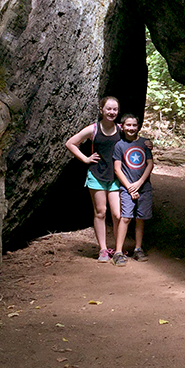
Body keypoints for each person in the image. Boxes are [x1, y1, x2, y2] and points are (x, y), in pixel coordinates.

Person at [65, 96, 123, 262]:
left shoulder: (121, 129)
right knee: (101, 211)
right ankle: (103, 249)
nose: (112, 112)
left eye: (115, 109)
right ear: (102, 110)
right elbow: (70, 143)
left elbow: (134, 143)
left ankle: (118, 249)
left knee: (117, 214)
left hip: (114, 176)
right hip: (97, 174)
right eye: (109, 109)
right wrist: (85, 159)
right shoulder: (93, 129)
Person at [111, 113, 153, 265]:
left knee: (140, 218)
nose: (131, 128)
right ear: (122, 127)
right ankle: (118, 252)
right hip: (127, 188)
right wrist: (129, 187)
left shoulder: (144, 143)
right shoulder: (120, 146)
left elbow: (149, 164)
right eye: (128, 125)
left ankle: (138, 249)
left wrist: (139, 183)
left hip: (144, 188)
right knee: (126, 217)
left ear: (138, 127)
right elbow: (117, 169)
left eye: (134, 125)